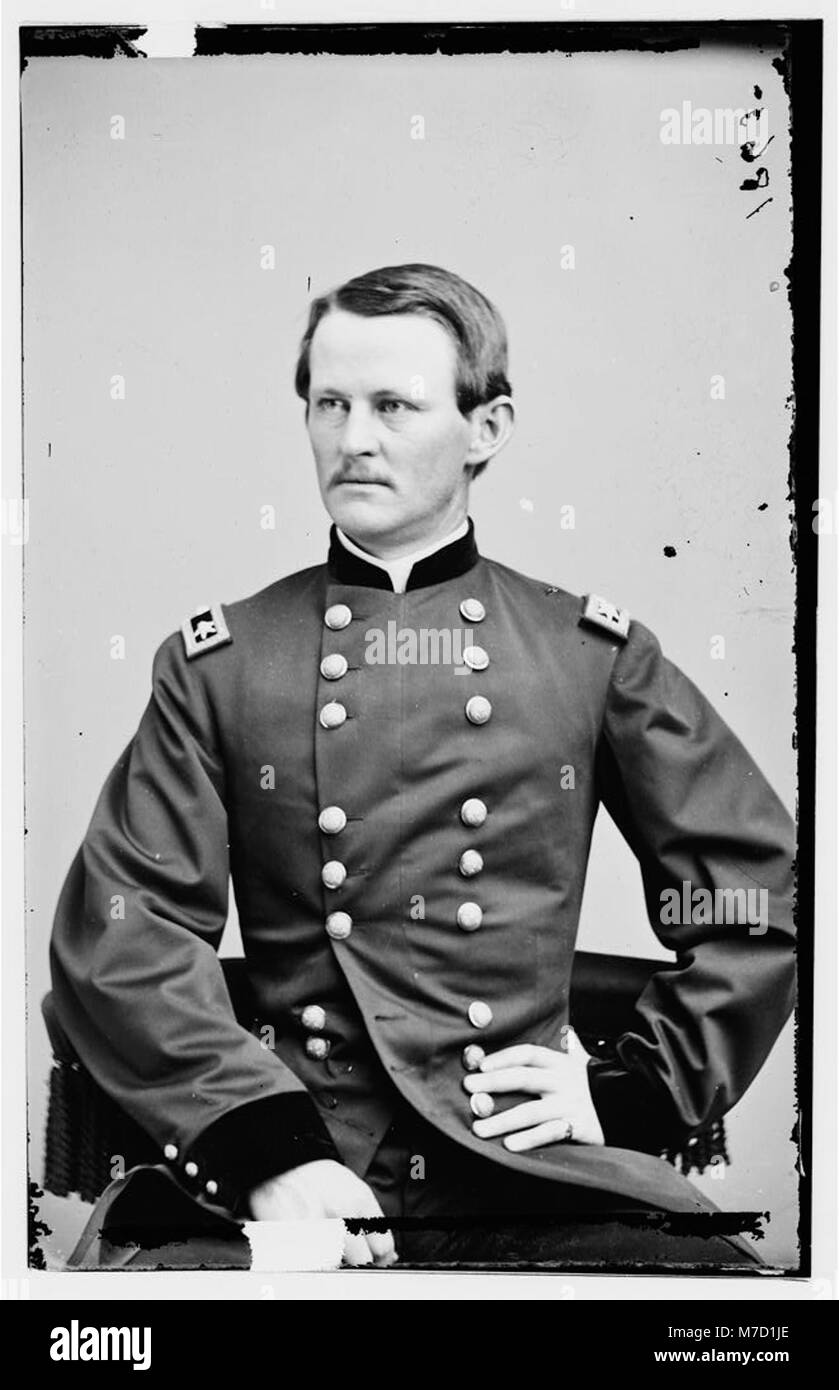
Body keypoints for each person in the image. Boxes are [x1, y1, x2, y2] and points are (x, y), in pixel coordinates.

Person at [49, 263, 795, 1270]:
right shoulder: (222, 663)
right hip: (299, 1160)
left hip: (532, 1167)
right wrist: (269, 1155)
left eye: (392, 406)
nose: (352, 439)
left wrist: (631, 1089)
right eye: (329, 404)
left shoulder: (586, 655)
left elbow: (749, 890)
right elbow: (122, 928)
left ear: (484, 427)